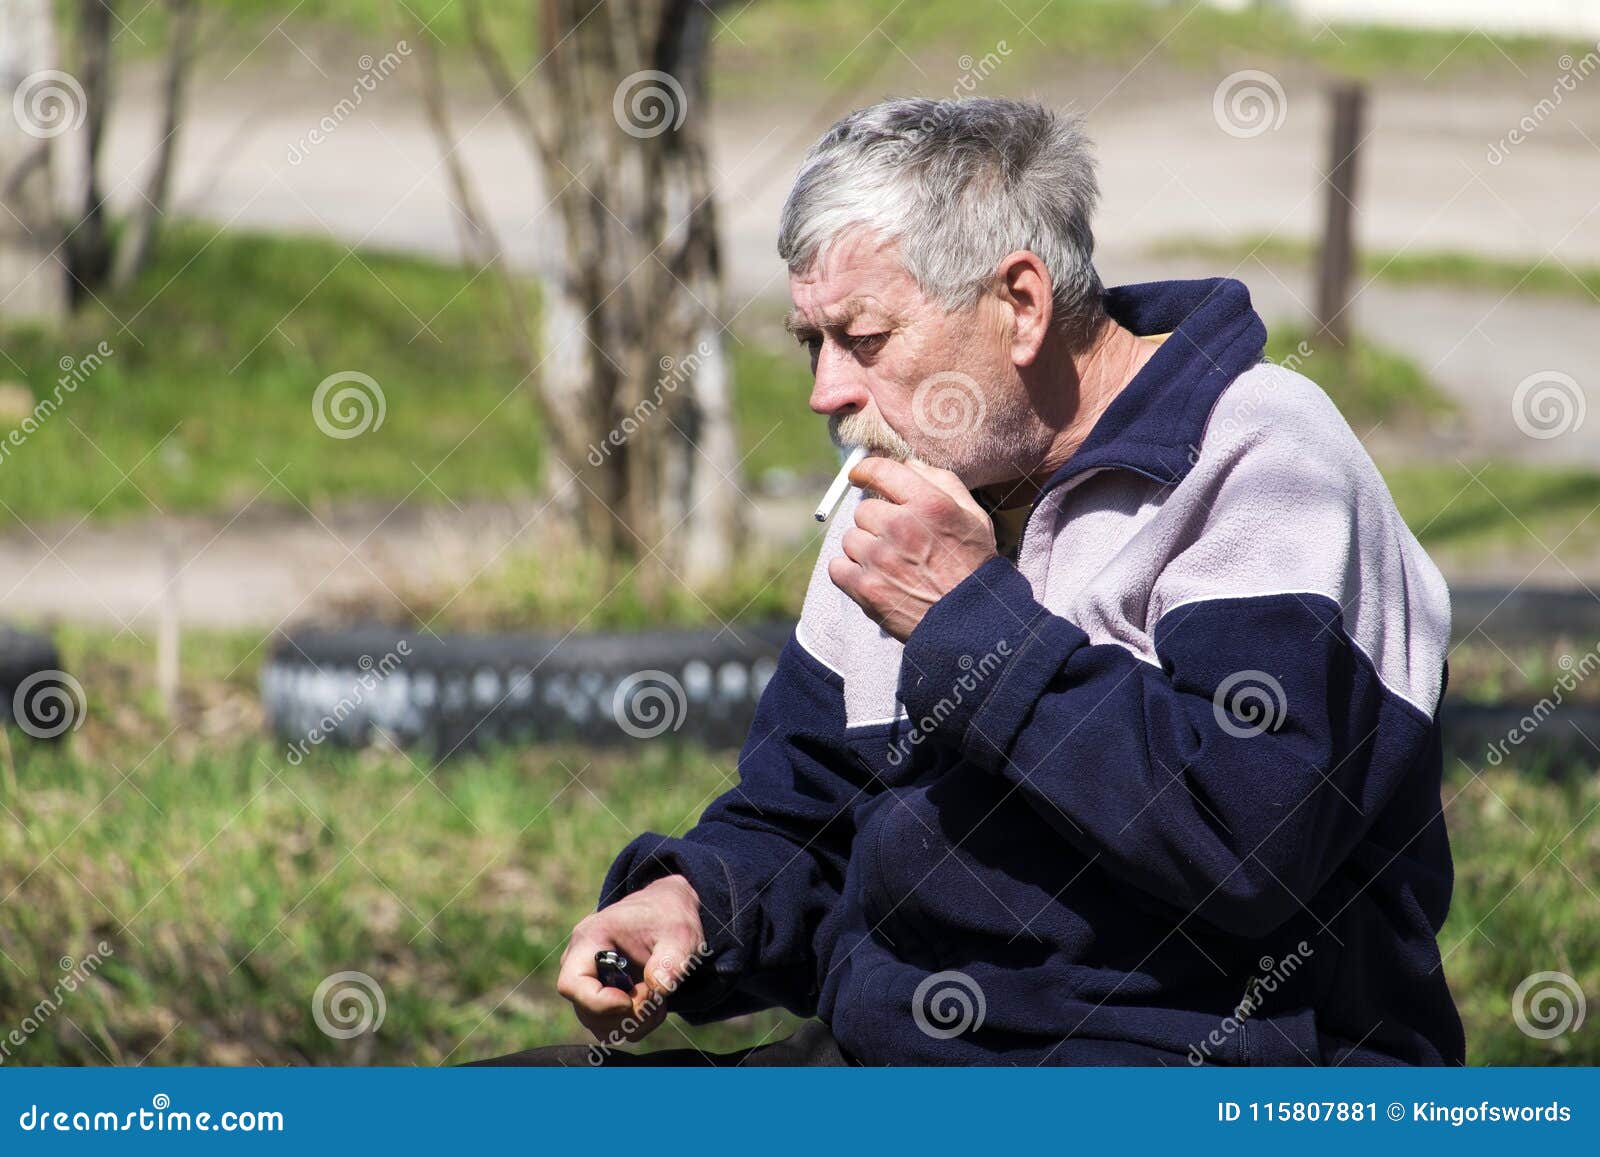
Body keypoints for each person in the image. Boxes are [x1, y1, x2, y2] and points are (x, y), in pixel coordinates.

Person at [473, 96, 1465, 1067]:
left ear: (1020, 303)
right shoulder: (910, 486)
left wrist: (969, 618)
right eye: (811, 343)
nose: (826, 391)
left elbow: (1247, 842)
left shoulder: (1262, 457)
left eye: (864, 339)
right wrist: (693, 901)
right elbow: (807, 815)